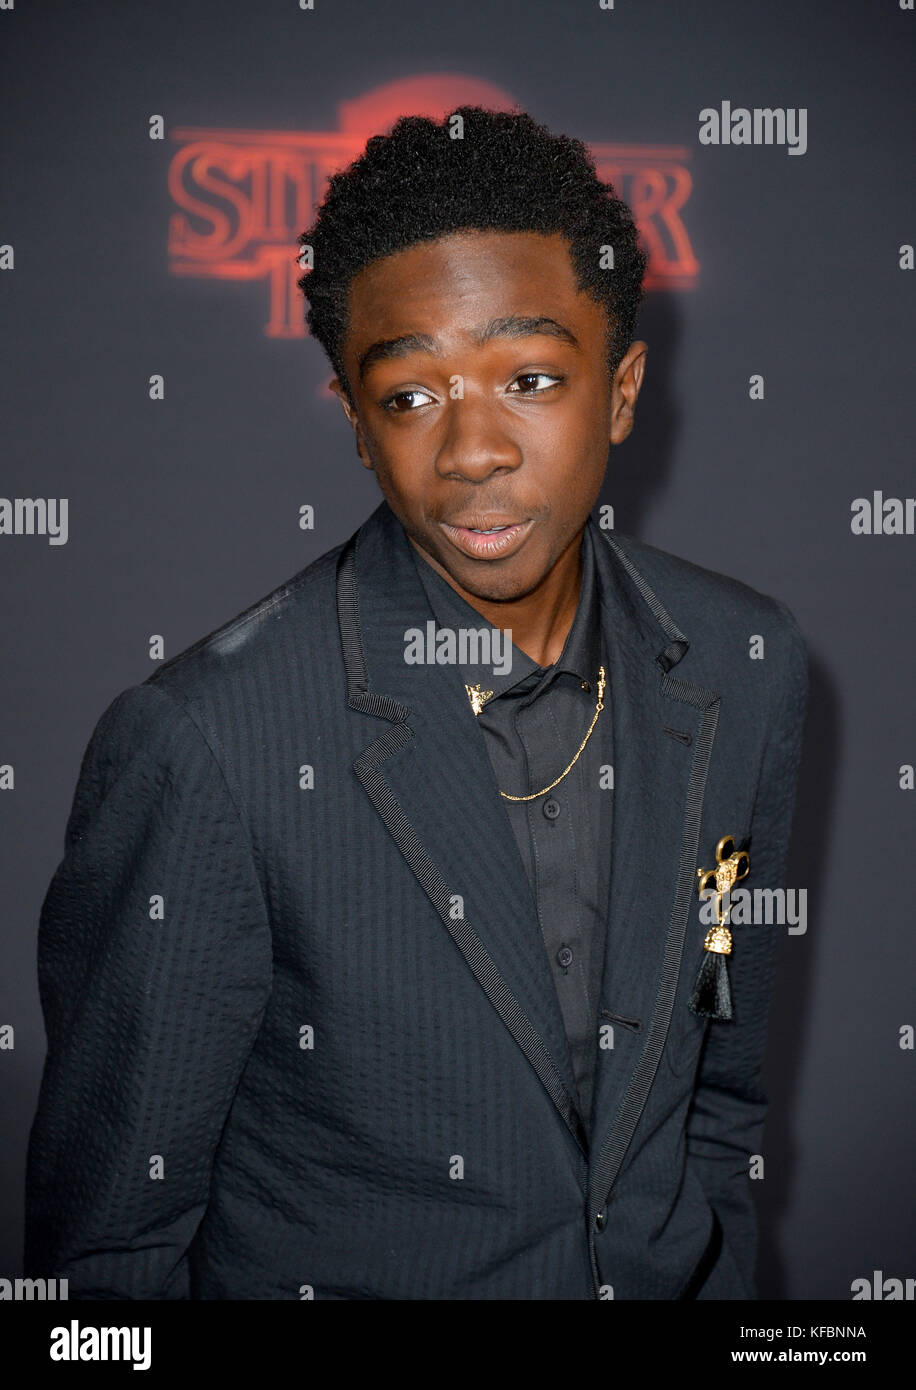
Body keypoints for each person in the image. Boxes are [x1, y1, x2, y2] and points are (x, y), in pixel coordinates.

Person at [24, 107, 808, 1300]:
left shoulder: (743, 661)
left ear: (623, 389)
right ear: (351, 421)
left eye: (531, 378)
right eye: (409, 396)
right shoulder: (207, 743)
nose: (472, 449)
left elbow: (718, 1089)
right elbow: (107, 1264)